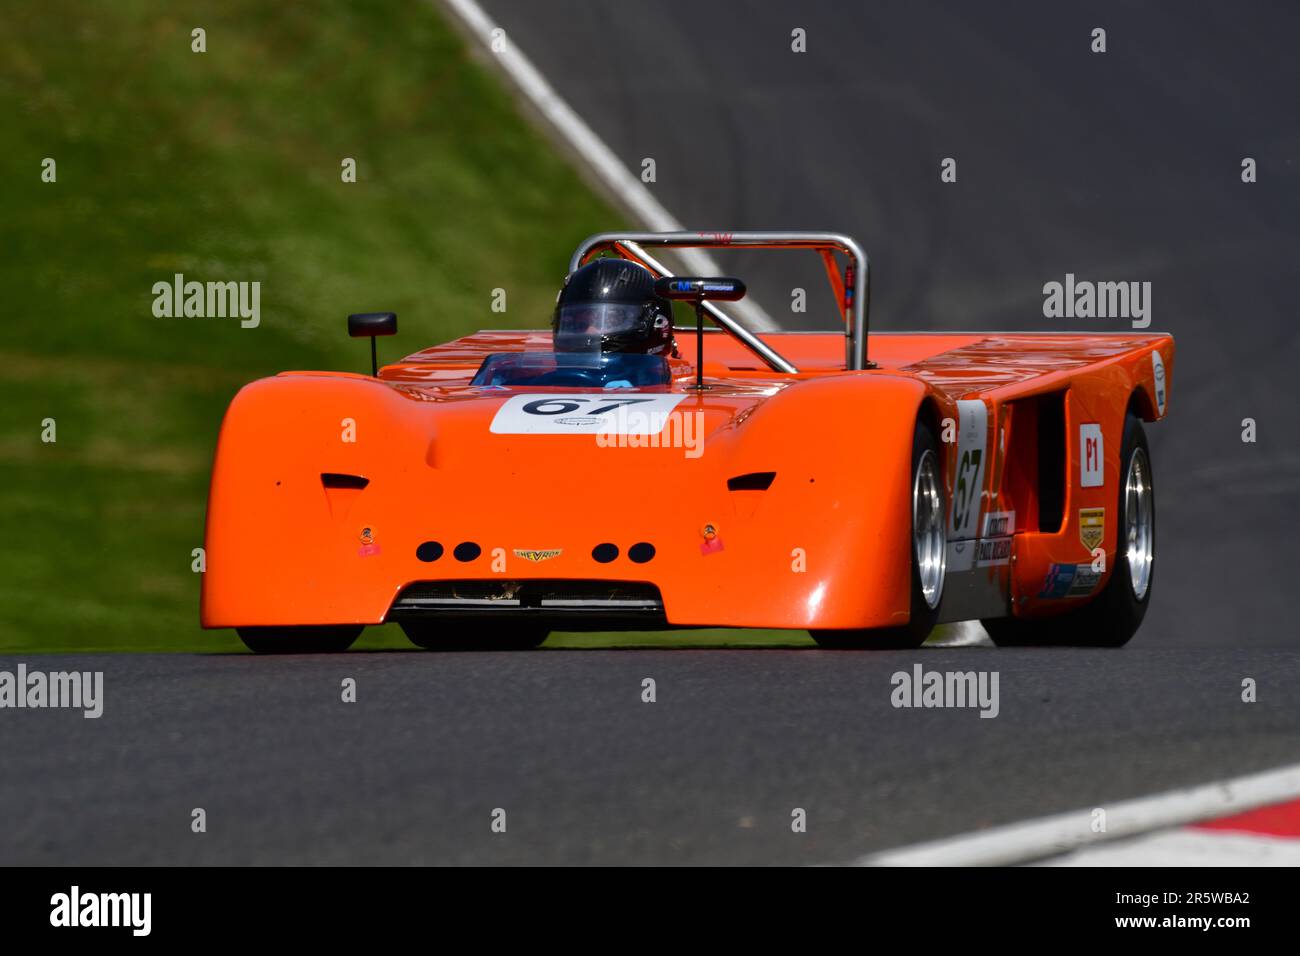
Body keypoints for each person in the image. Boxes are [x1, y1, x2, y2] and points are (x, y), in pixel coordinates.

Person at [552, 258, 677, 357]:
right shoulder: (544, 384)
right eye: (578, 323)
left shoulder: (683, 388)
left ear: (657, 324)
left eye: (611, 320)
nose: (588, 333)